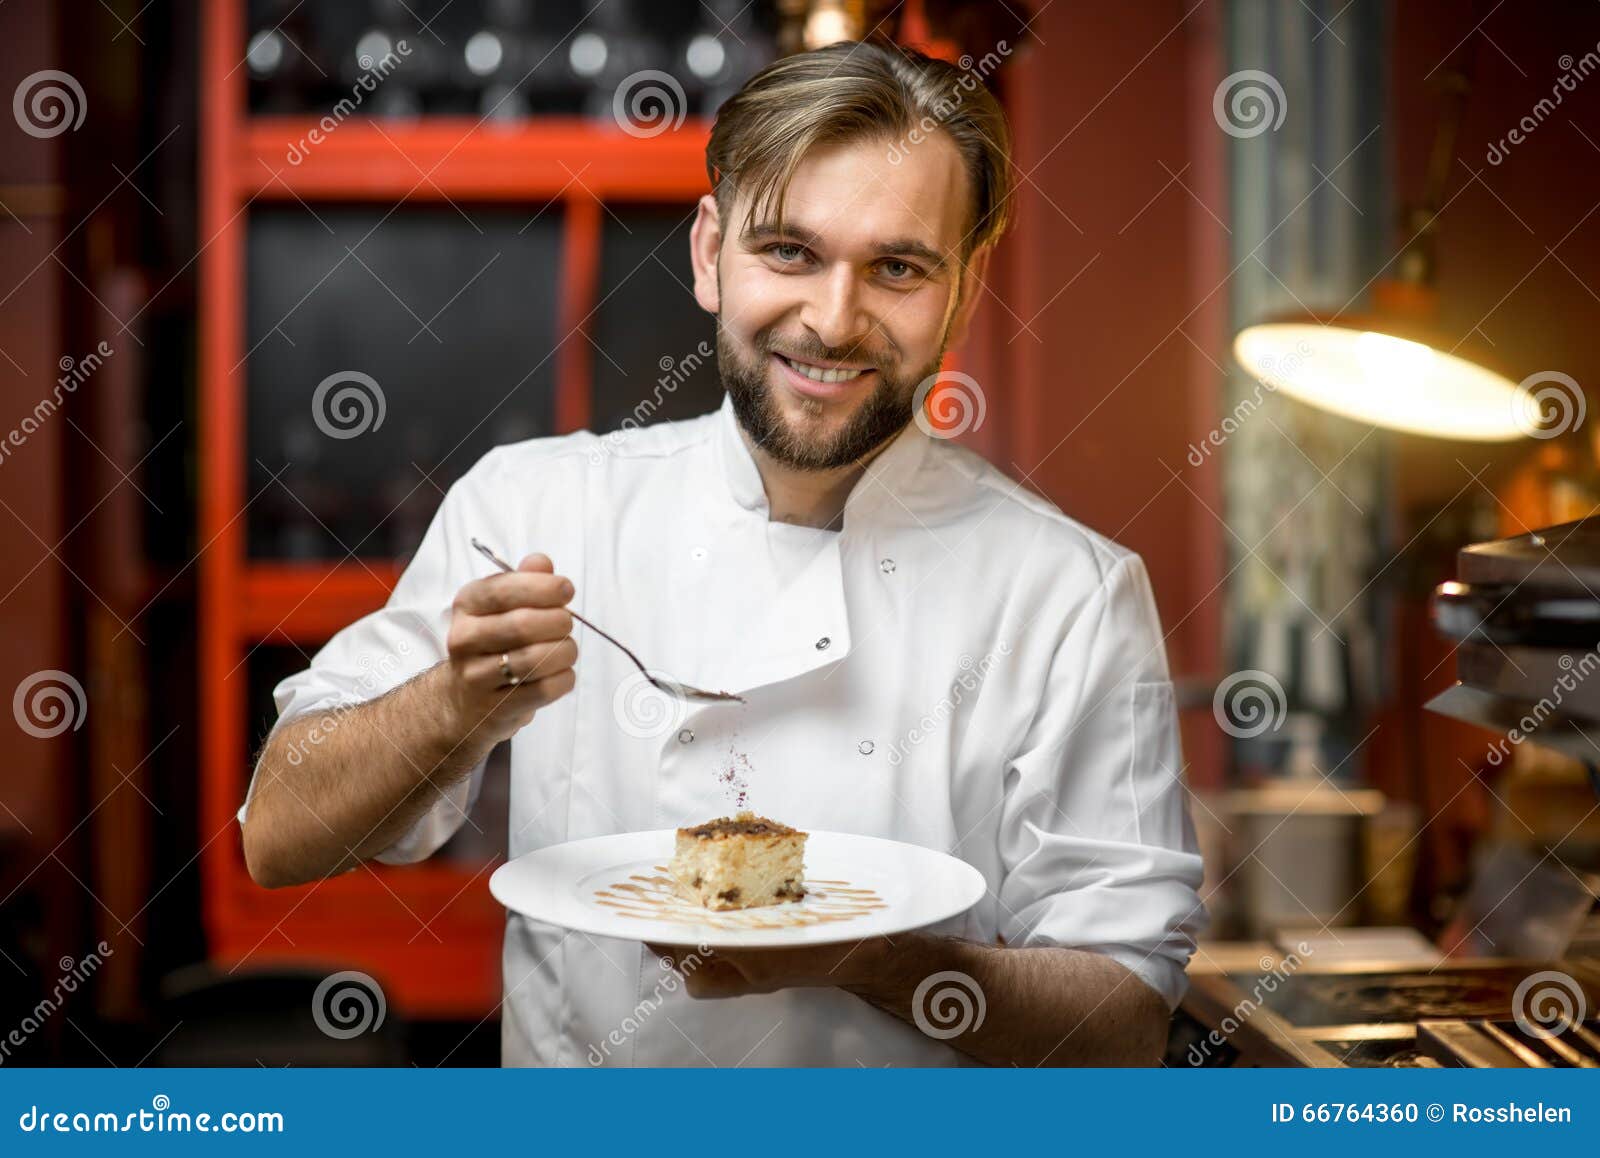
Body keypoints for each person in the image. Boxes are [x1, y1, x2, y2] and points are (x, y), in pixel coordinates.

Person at [240, 38, 1206, 1067]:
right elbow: (279, 835)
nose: (832, 322)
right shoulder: (535, 506)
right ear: (710, 255)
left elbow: (1125, 1022)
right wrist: (453, 701)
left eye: (896, 268)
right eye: (788, 251)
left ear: (965, 290)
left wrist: (868, 963)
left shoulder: (1068, 593)